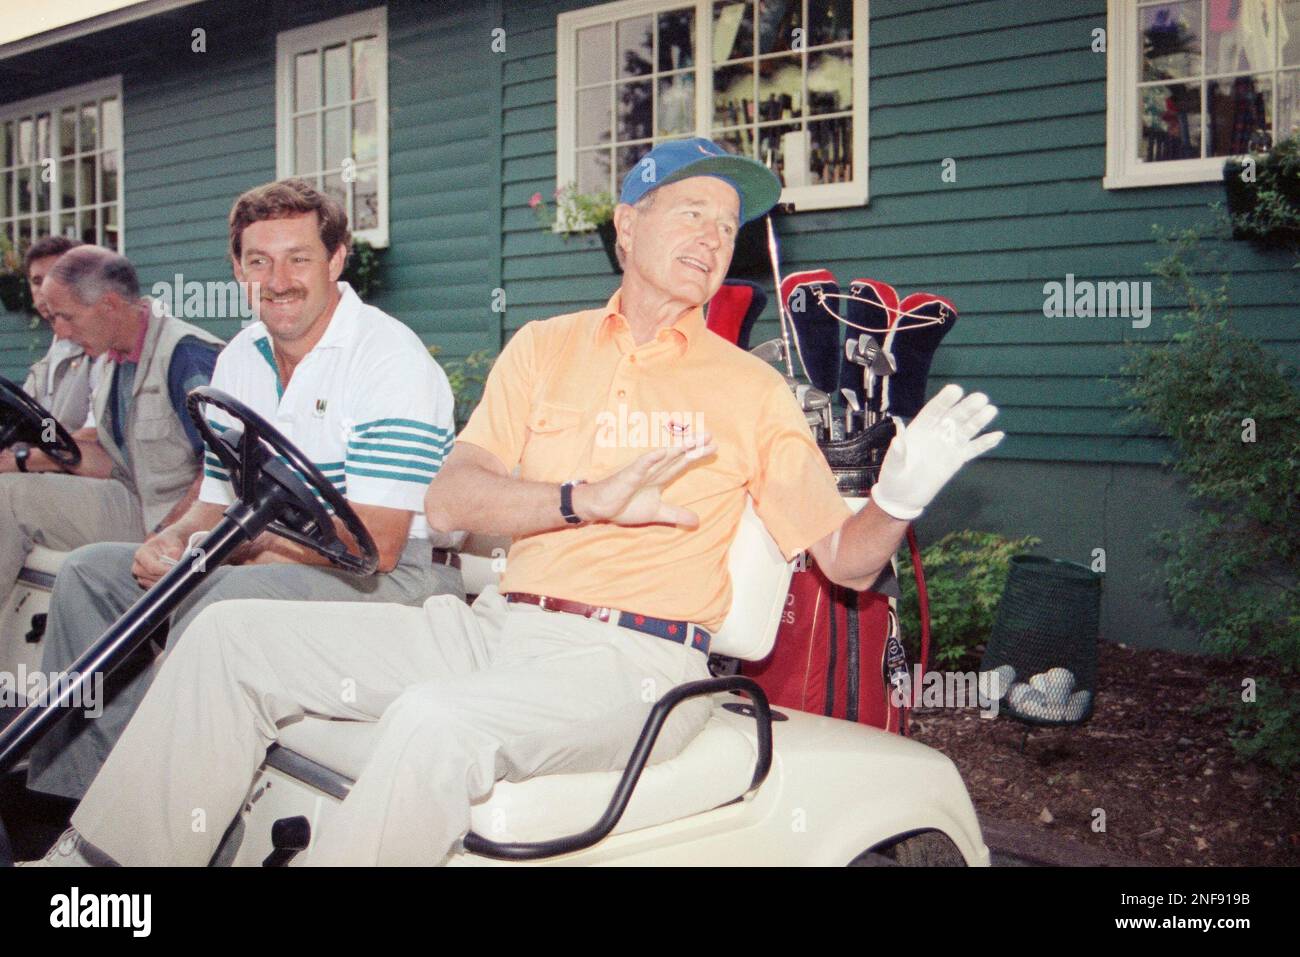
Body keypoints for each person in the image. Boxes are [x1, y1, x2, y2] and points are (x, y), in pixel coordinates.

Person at [31, 139, 1003, 867]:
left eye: (725, 221)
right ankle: (101, 879)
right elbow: (452, 499)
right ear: (626, 228)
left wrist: (895, 497)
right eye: (686, 211)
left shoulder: (749, 389)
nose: (711, 235)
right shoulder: (546, 349)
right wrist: (581, 498)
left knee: (433, 724)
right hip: (494, 624)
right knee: (226, 641)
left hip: (635, 660)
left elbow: (847, 562)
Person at [22, 178, 465, 805]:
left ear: (337, 261)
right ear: (238, 269)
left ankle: (170, 811)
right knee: (93, 572)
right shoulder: (242, 358)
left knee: (218, 591)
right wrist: (172, 538)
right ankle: (78, 796)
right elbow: (216, 495)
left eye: (299, 258)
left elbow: (380, 544)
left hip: (390, 579)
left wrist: (238, 548)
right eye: (259, 261)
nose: (278, 280)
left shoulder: (387, 360)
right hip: (273, 557)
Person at [0, 247, 222, 614]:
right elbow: (107, 458)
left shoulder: (186, 356)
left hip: (183, 523)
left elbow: (219, 472)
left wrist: (167, 535)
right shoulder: (110, 362)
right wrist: (22, 458)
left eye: (67, 318)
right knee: (9, 492)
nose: (62, 333)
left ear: (109, 305)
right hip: (136, 504)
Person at [18, 236, 97, 430]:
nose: (44, 290)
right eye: (37, 281)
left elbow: (98, 437)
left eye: (56, 276)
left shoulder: (104, 354)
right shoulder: (42, 368)